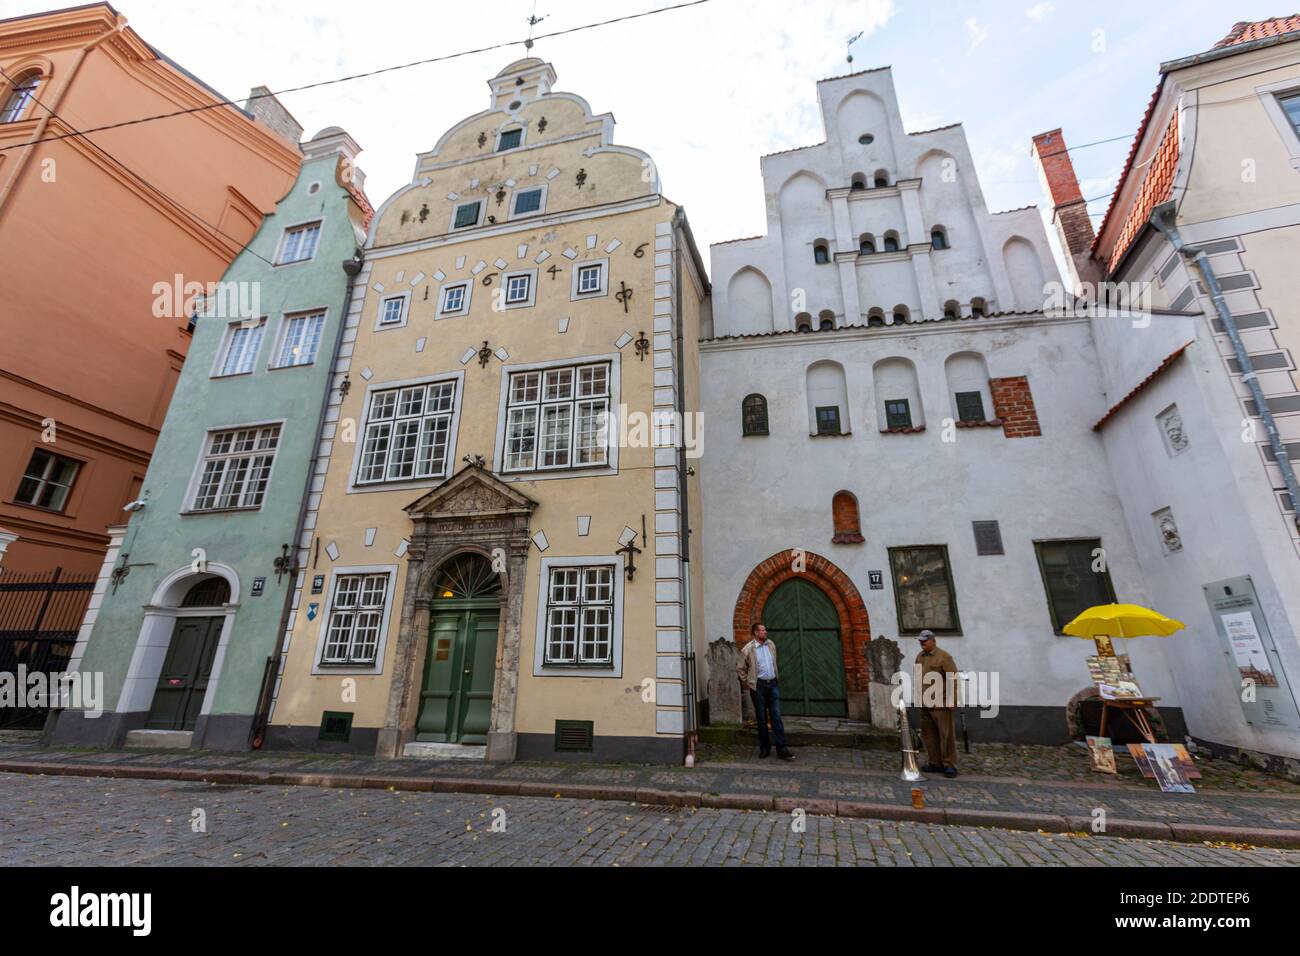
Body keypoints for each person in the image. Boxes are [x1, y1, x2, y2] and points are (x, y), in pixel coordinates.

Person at [737, 622, 794, 760]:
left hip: (773, 684)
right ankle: (765, 748)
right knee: (761, 719)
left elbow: (773, 662)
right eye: (762, 630)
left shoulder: (771, 645)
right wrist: (749, 682)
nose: (765, 632)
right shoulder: (748, 649)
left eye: (765, 630)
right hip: (759, 687)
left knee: (776, 717)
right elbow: (740, 668)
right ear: (756, 633)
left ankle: (782, 748)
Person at [915, 629, 959, 778]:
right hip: (925, 703)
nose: (922, 643)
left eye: (925, 641)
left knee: (946, 736)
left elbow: (953, 678)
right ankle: (935, 762)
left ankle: (949, 764)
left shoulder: (944, 657)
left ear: (933, 641)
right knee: (929, 735)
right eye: (920, 640)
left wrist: (952, 699)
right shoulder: (920, 657)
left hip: (941, 703)